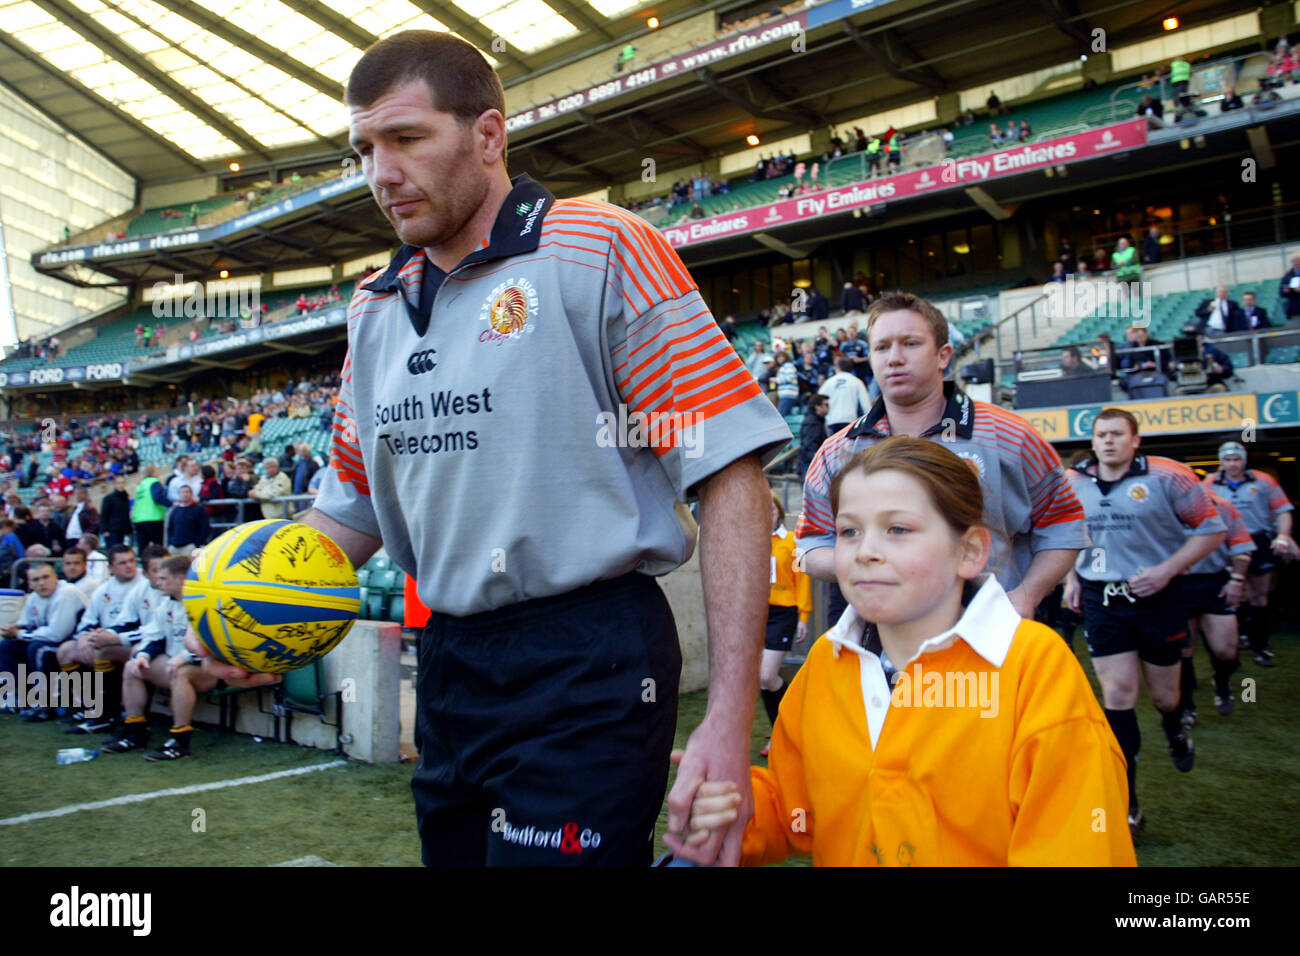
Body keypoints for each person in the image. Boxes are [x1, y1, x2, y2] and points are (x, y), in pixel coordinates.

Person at [197, 30, 791, 868]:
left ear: (487, 135)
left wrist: (730, 716)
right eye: (364, 148)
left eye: (406, 138)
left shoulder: (600, 247)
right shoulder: (374, 307)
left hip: (590, 655)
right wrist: (241, 594)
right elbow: (353, 509)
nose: (381, 173)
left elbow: (729, 469)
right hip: (451, 660)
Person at [670, 438, 1135, 866]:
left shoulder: (1035, 670)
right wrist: (732, 810)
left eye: (897, 528)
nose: (866, 550)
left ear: (969, 551)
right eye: (848, 532)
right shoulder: (827, 664)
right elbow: (794, 808)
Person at [798, 291, 1086, 628]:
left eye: (910, 343)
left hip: (991, 631)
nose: (894, 358)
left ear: (943, 355)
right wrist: (881, 562)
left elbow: (1065, 523)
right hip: (881, 642)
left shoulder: (1010, 435)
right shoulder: (837, 452)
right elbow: (811, 547)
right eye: (881, 347)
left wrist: (1026, 595)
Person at [1064, 410, 1226, 834]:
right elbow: (1062, 532)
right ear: (1093, 440)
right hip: (1103, 598)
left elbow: (1212, 530)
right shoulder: (1073, 481)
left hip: (1158, 595)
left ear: (1135, 440)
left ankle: (1175, 728)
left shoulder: (1169, 476)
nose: (1108, 441)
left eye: (1118, 434)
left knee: (1164, 697)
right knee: (1117, 696)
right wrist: (1071, 578)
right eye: (1101, 435)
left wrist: (1168, 570)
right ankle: (1128, 804)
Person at [1201, 442, 1297, 667]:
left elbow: (1283, 510)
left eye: (1236, 459)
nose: (1232, 464)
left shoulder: (1263, 481)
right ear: (1221, 462)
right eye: (1227, 460)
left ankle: (1261, 646)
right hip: (1226, 544)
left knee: (1259, 595)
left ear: (1244, 460)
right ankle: (1241, 636)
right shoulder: (1209, 483)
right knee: (1235, 593)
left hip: (1258, 540)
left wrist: (1283, 536)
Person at [101, 555, 193, 756]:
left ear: (181, 579)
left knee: (181, 674)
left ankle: (180, 739)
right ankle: (136, 731)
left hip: (202, 666)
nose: (157, 583)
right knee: (133, 666)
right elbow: (155, 636)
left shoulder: (200, 603)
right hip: (173, 661)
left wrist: (184, 657)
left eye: (163, 579)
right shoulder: (166, 604)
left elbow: (208, 644)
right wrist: (143, 655)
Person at [58, 545, 151, 735]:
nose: (129, 566)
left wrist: (111, 638)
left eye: (132, 561)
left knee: (104, 651)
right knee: (66, 650)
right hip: (107, 638)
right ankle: (87, 707)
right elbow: (87, 621)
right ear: (111, 568)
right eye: (122, 563)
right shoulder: (103, 590)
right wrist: (85, 638)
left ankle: (106, 716)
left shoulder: (145, 585)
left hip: (134, 643)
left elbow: (145, 627)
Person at [1177, 492, 1252, 725]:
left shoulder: (1223, 507)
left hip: (1214, 582)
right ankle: (1186, 706)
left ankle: (1221, 681)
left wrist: (1237, 580)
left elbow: (1241, 547)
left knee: (1226, 650)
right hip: (1177, 584)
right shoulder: (1163, 506)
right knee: (1183, 650)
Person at [758, 491, 810, 757]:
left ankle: (795, 721)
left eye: (773, 509)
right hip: (757, 613)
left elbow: (802, 580)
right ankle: (779, 732)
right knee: (761, 680)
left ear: (779, 512)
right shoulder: (753, 543)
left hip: (784, 612)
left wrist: (804, 616)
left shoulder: (791, 542)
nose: (769, 514)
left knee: (767, 676)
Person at [0, 561, 87, 719]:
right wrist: (13, 629)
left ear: (55, 577)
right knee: (7, 646)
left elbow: (57, 634)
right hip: (50, 641)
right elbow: (26, 624)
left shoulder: (66, 593)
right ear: (30, 584)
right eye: (35, 580)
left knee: (39, 649)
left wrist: (19, 634)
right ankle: (15, 699)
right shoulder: (34, 597)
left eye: (45, 577)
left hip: (74, 643)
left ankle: (45, 704)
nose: (41, 583)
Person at [817, 356, 872, 436]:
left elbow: (817, 400)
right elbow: (866, 404)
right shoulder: (856, 381)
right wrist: (869, 422)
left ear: (838, 367)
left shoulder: (828, 382)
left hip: (831, 421)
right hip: (849, 420)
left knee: (834, 447)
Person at [131, 464, 169, 551]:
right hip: (153, 517)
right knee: (158, 546)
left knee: (143, 548)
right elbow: (157, 497)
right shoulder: (154, 482)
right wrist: (171, 504)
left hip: (139, 519)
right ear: (153, 472)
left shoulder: (140, 485)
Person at [166, 485, 210, 555]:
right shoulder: (175, 511)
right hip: (174, 547)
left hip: (190, 547)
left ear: (191, 494)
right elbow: (170, 529)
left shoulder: (199, 509)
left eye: (187, 492)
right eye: (182, 492)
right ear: (179, 494)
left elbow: (205, 528)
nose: (185, 494)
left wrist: (196, 544)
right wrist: (170, 544)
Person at [798, 393, 828, 480]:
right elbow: (809, 444)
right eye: (826, 404)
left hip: (812, 464)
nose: (828, 407)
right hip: (811, 465)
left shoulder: (817, 421)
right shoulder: (812, 422)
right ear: (817, 407)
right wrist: (817, 461)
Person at [99, 474, 132, 549]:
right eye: (119, 483)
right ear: (115, 484)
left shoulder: (125, 498)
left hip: (123, 531)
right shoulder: (108, 498)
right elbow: (104, 515)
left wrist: (129, 530)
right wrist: (104, 530)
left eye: (123, 483)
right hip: (112, 531)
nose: (121, 485)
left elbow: (126, 515)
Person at [1279, 251, 1300, 323]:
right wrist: (1286, 291)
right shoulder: (1287, 276)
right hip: (1295, 311)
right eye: (1293, 261)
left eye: (1297, 260)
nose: (1296, 263)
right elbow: (1281, 293)